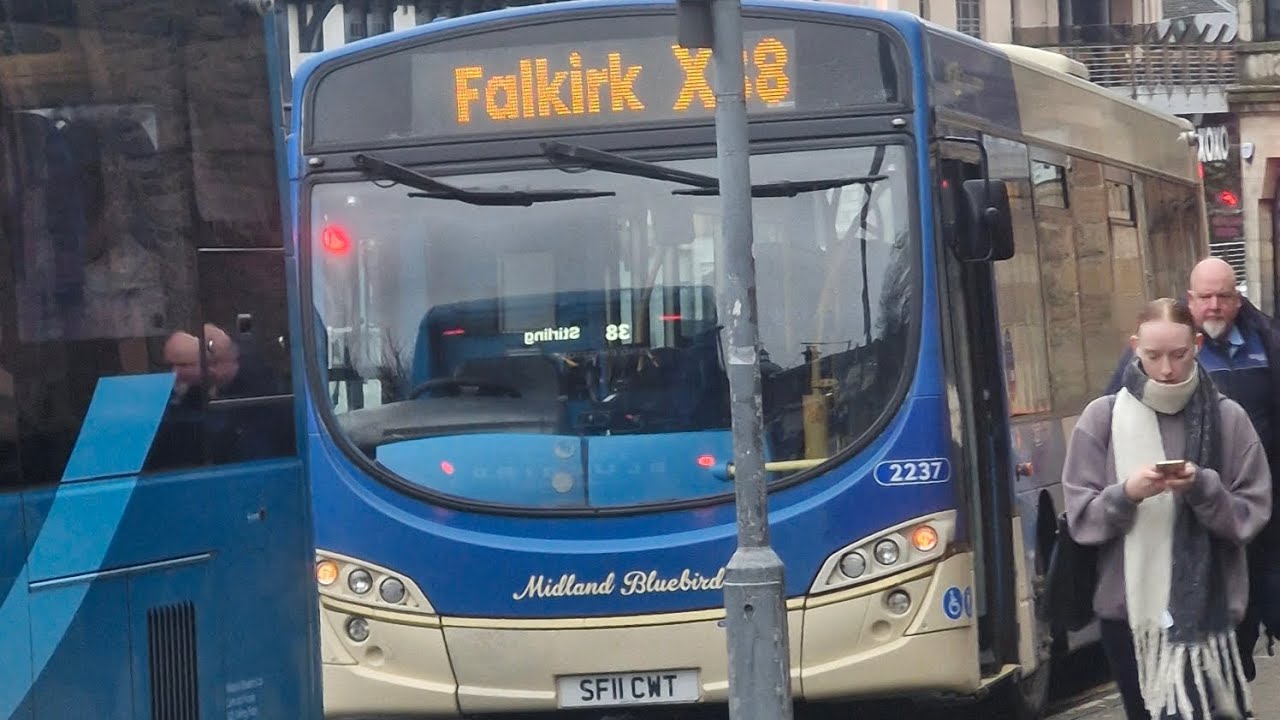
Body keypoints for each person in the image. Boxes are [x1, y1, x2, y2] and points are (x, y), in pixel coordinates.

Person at [1066, 298, 1271, 720]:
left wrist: (1203, 488)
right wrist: (1126, 493)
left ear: (1196, 345)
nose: (1166, 369)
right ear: (1134, 346)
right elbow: (1082, 517)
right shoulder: (1101, 419)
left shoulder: (1229, 419)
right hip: (1130, 619)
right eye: (1153, 355)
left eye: (1178, 355)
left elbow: (1251, 514)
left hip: (1212, 615)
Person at [1105, 258, 1280, 679]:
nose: (1215, 306)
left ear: (1238, 300)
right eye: (1206, 297)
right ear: (1191, 300)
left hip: (1257, 506)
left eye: (1224, 296)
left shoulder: (1266, 345)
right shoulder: (1141, 377)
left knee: (1253, 601)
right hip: (1180, 518)